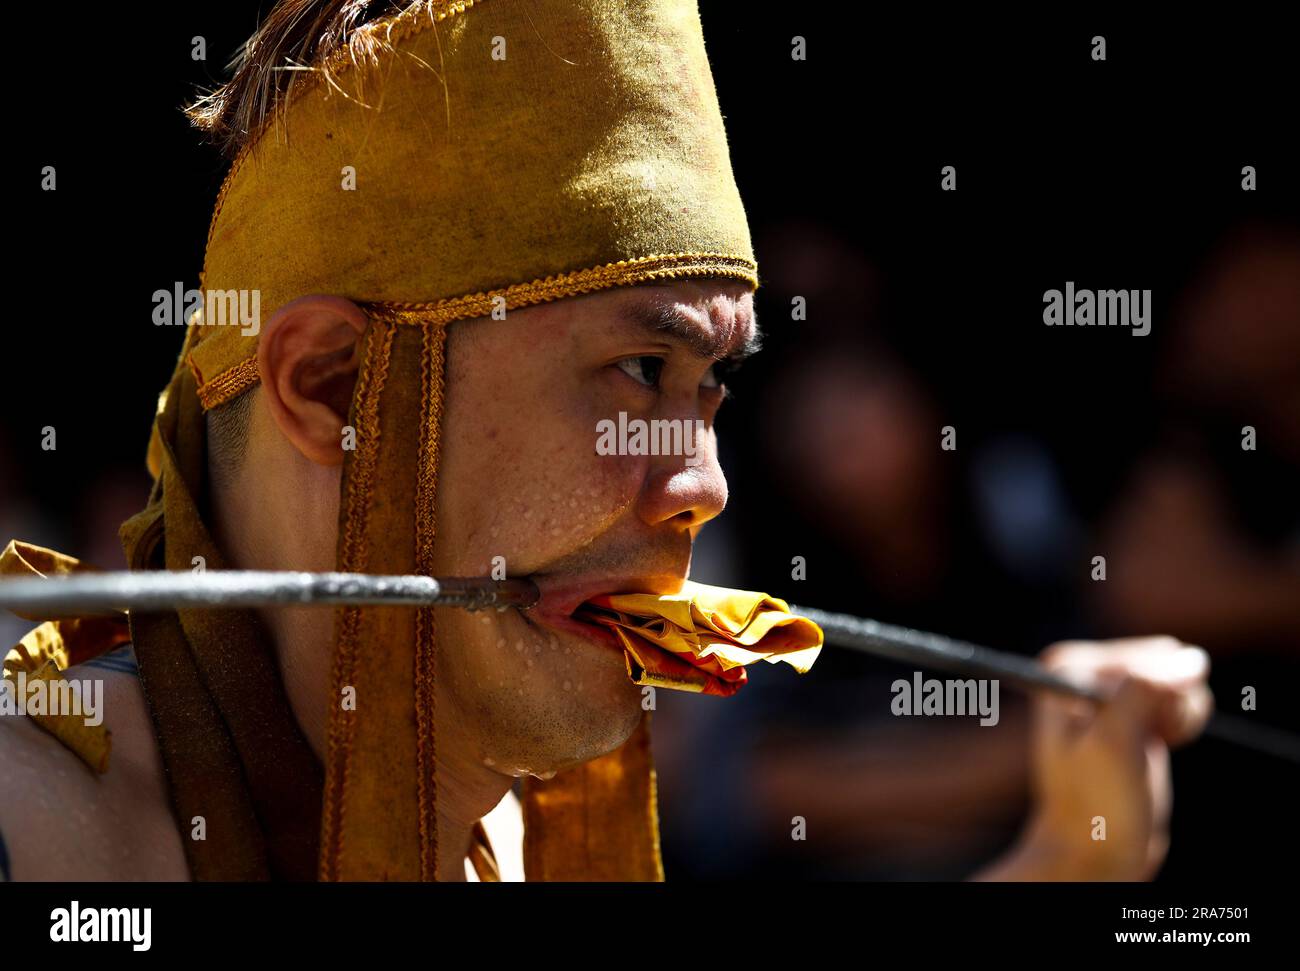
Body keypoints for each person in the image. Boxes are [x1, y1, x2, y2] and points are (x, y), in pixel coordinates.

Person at [0, 0, 1212, 882]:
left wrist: (1072, 851)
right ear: (329, 389)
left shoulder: (505, 827)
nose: (704, 487)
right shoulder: (40, 829)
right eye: (640, 368)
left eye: (712, 385)